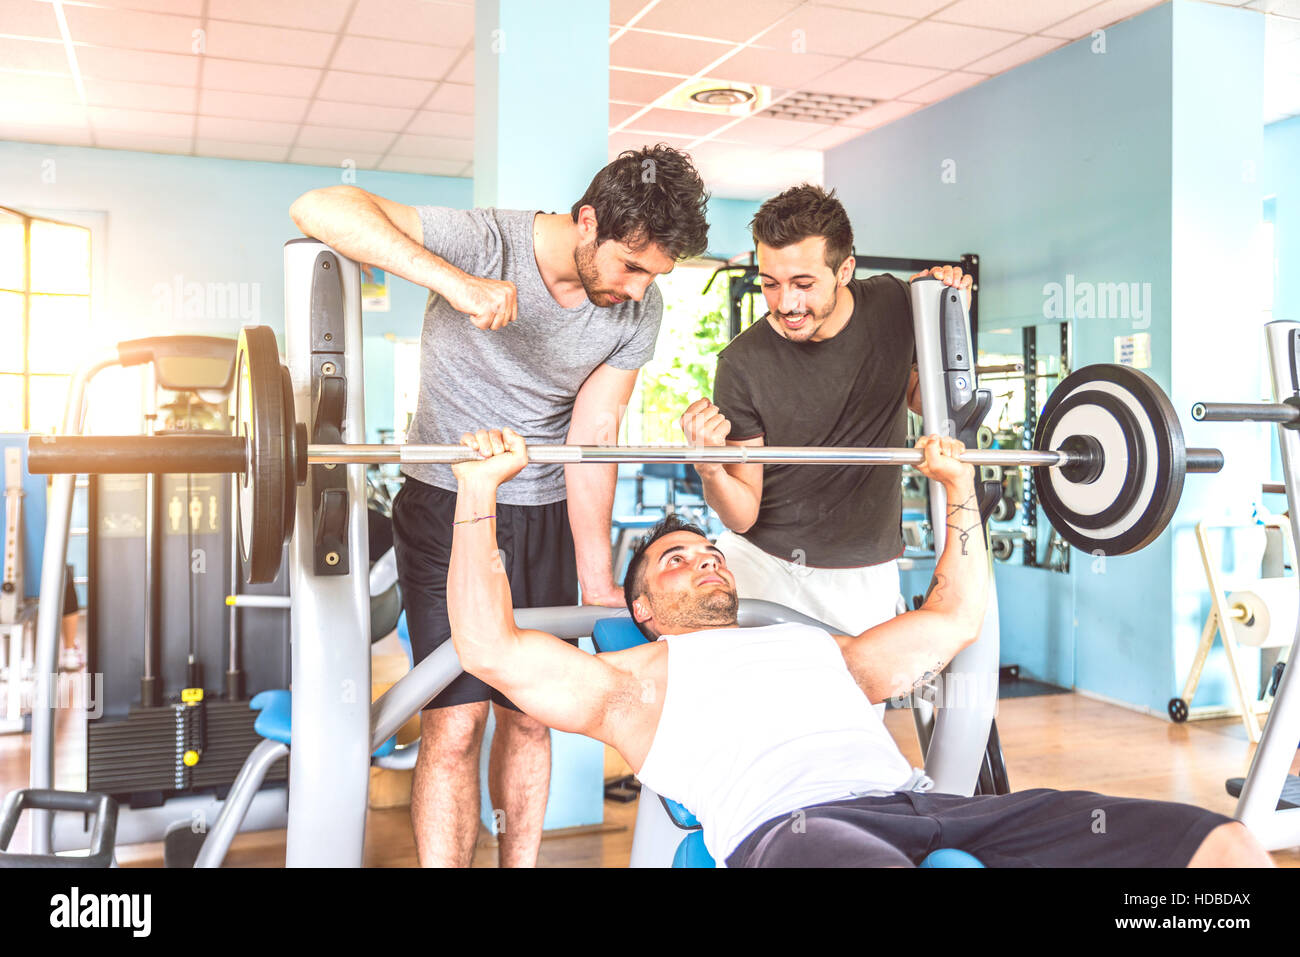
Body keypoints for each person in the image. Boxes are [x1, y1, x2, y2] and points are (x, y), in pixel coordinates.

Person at [443, 425, 1272, 868]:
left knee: (1221, 848)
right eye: (673, 559)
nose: (702, 558)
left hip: (927, 806)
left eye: (707, 550)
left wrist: (959, 488)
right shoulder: (632, 681)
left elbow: (955, 615)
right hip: (794, 830)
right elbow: (487, 644)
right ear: (643, 610)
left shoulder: (825, 653)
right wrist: (477, 492)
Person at [289, 145, 710, 867]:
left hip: (543, 506)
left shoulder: (640, 308)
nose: (640, 291)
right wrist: (454, 284)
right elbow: (318, 208)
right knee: (454, 723)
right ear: (587, 222)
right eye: (631, 266)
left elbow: (594, 434)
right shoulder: (487, 240)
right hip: (447, 502)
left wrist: (598, 580)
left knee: (531, 721)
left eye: (655, 276)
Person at [681, 184, 969, 639]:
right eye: (770, 284)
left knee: (857, 707)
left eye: (804, 283)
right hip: (765, 564)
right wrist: (710, 469)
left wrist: (949, 314)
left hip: (865, 569)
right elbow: (743, 515)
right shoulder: (741, 363)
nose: (786, 304)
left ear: (845, 270)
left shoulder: (896, 305)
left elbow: (925, 402)